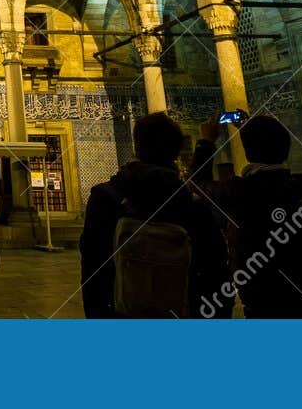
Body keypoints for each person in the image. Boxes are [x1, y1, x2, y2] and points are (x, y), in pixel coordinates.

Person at [79, 111, 229, 318]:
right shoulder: (192, 203)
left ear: (137, 147)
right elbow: (216, 271)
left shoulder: (105, 198)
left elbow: (93, 270)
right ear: (176, 153)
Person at [192, 114, 302, 318]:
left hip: (262, 300)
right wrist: (249, 131)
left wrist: (206, 142)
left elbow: (197, 182)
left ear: (248, 152)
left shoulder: (239, 191)